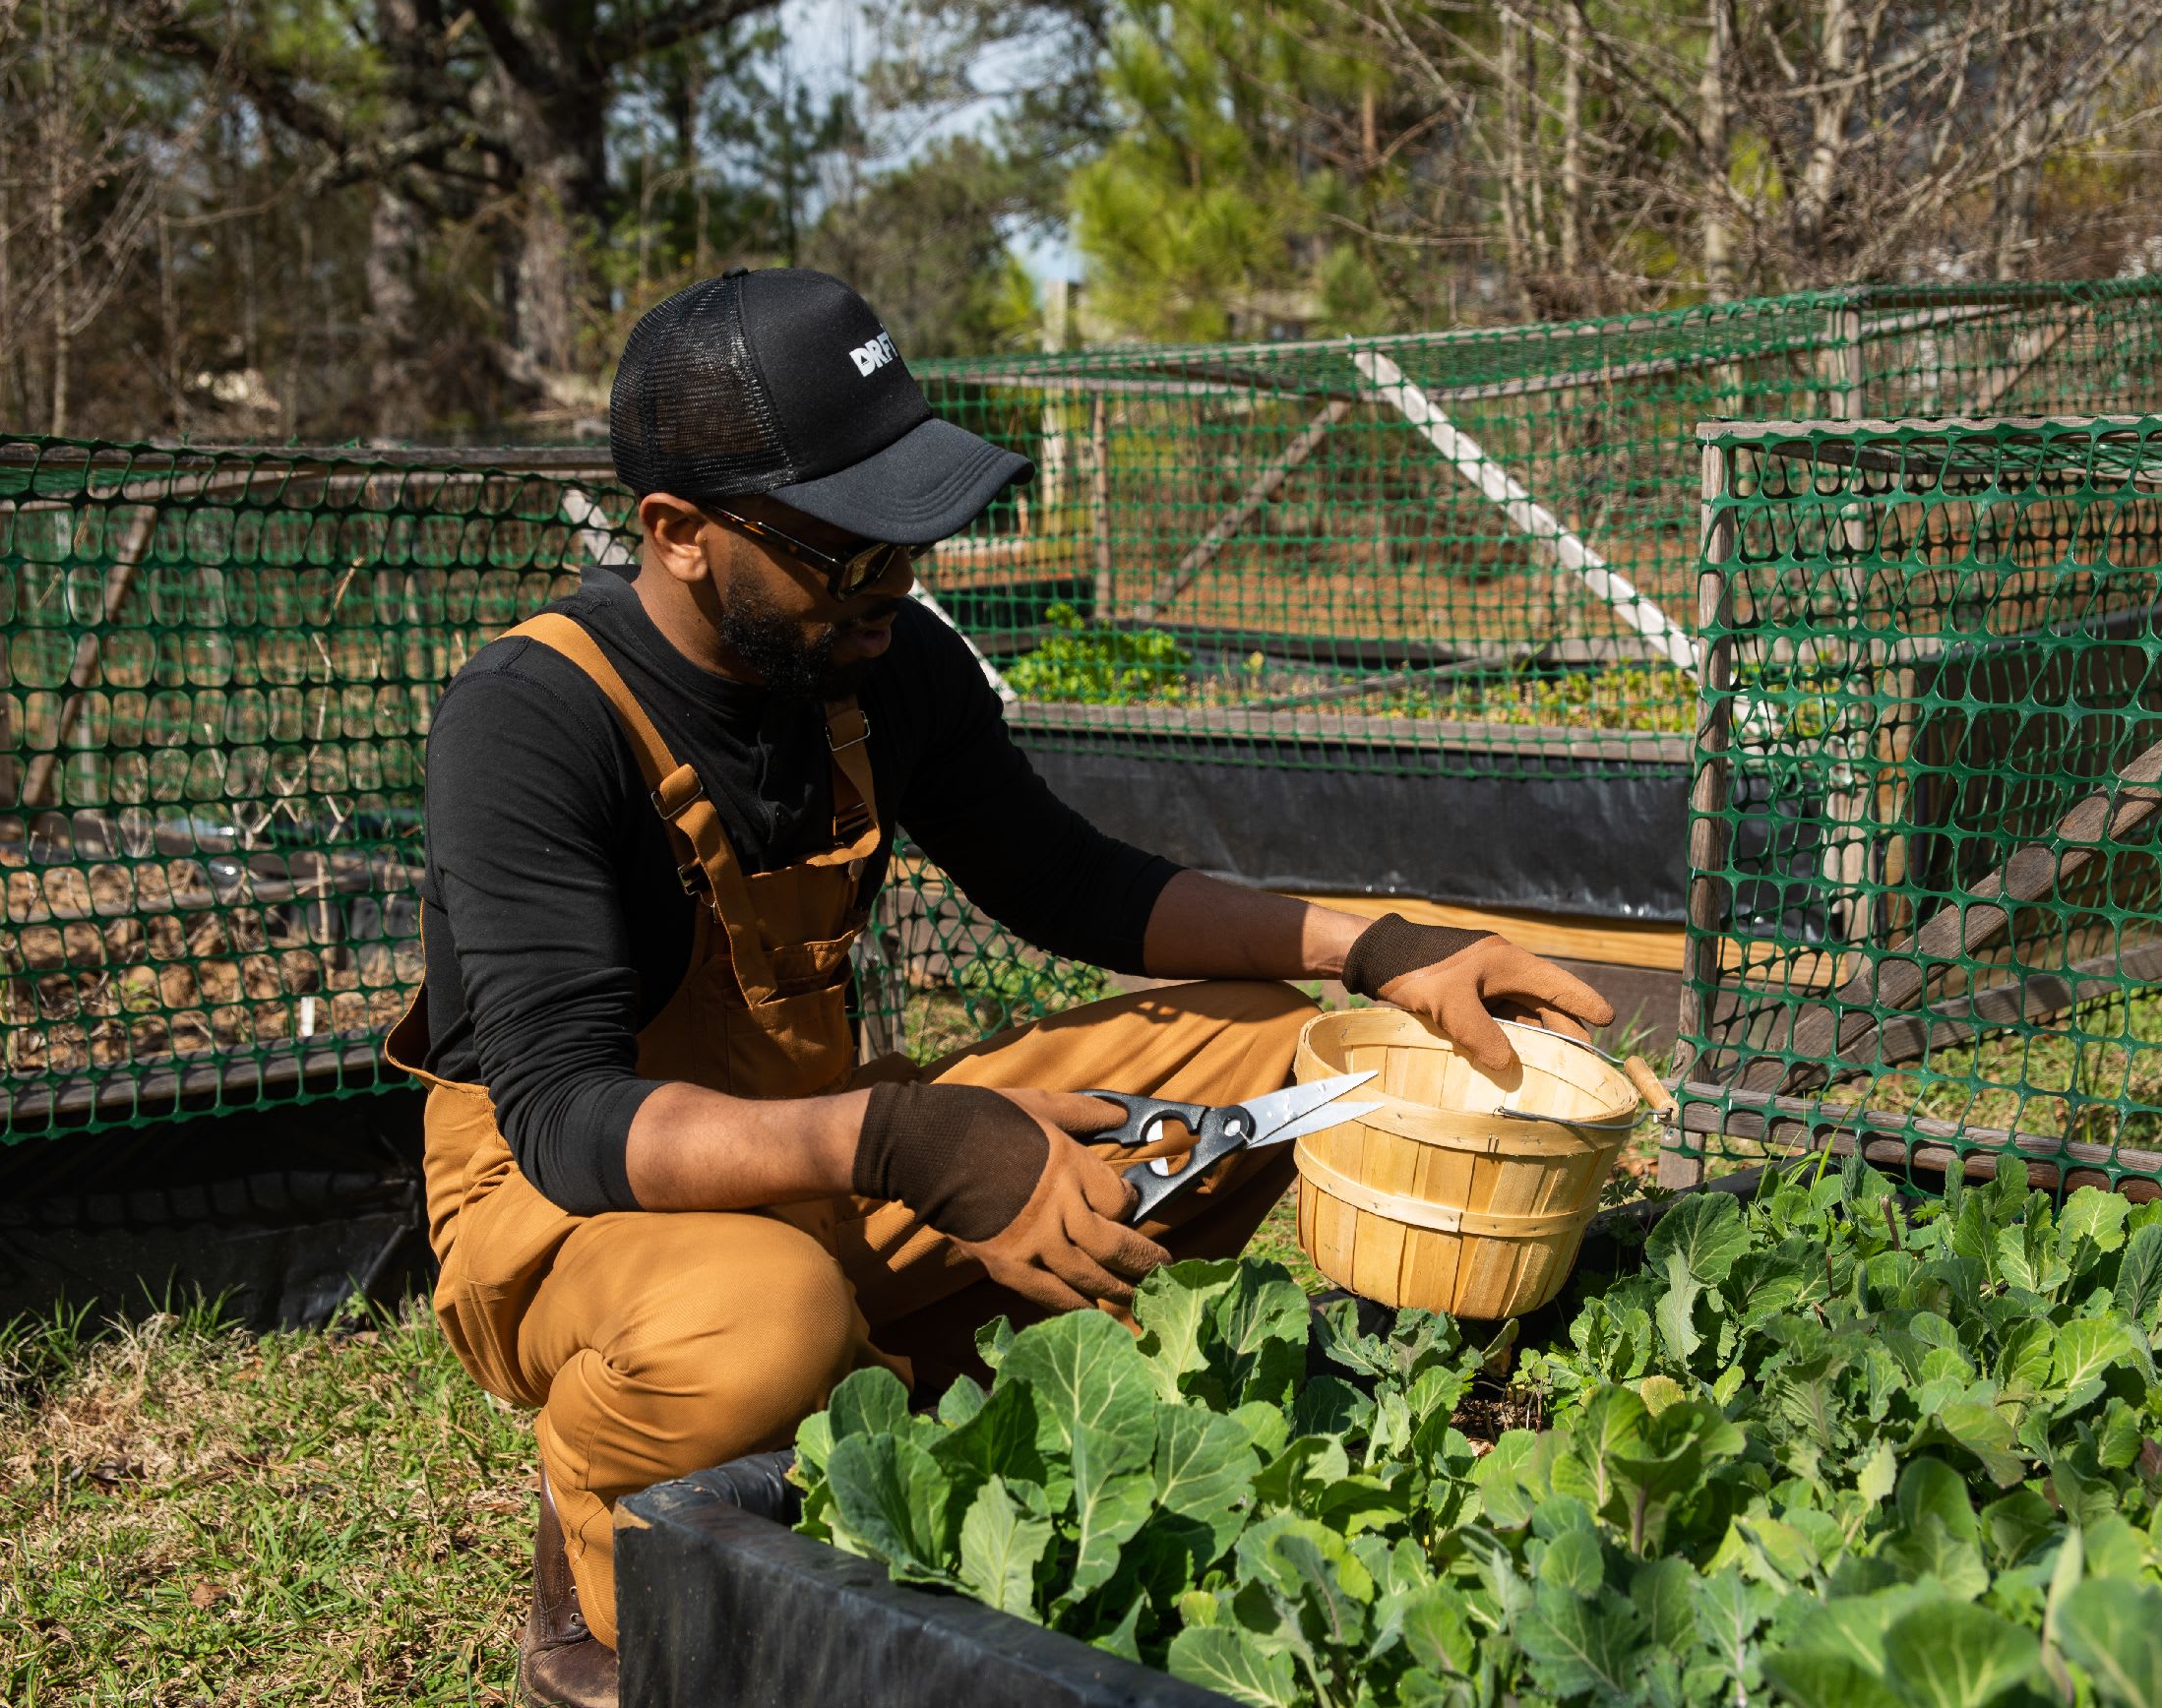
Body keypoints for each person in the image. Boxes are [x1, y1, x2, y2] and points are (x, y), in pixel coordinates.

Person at [394, 267, 1614, 1708]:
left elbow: (1069, 880)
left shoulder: (877, 662)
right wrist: (909, 1140)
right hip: (574, 1207)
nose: (895, 584)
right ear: (678, 535)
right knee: (761, 1322)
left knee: (1262, 1063)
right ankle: (603, 1520)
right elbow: (570, 1117)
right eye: (848, 548)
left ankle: (963, 1391)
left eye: (911, 533)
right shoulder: (533, 718)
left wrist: (1374, 949)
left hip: (810, 1149)